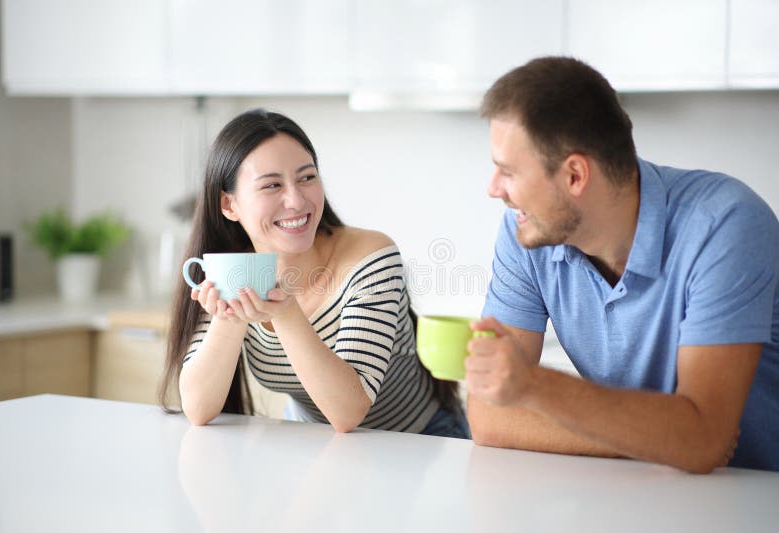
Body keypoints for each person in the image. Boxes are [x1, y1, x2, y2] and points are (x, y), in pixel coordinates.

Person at [465, 56, 779, 472]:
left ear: (575, 175)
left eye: (507, 171)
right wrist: (665, 442)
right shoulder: (524, 232)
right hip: (633, 491)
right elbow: (488, 416)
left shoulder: (724, 224)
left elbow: (703, 439)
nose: (493, 189)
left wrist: (532, 387)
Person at [160, 109, 468, 438]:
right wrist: (228, 317)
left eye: (307, 178)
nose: (296, 200)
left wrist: (286, 312)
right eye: (272, 185)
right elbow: (198, 408)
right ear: (228, 205)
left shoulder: (371, 256)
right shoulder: (236, 271)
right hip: (320, 441)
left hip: (420, 439)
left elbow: (349, 412)